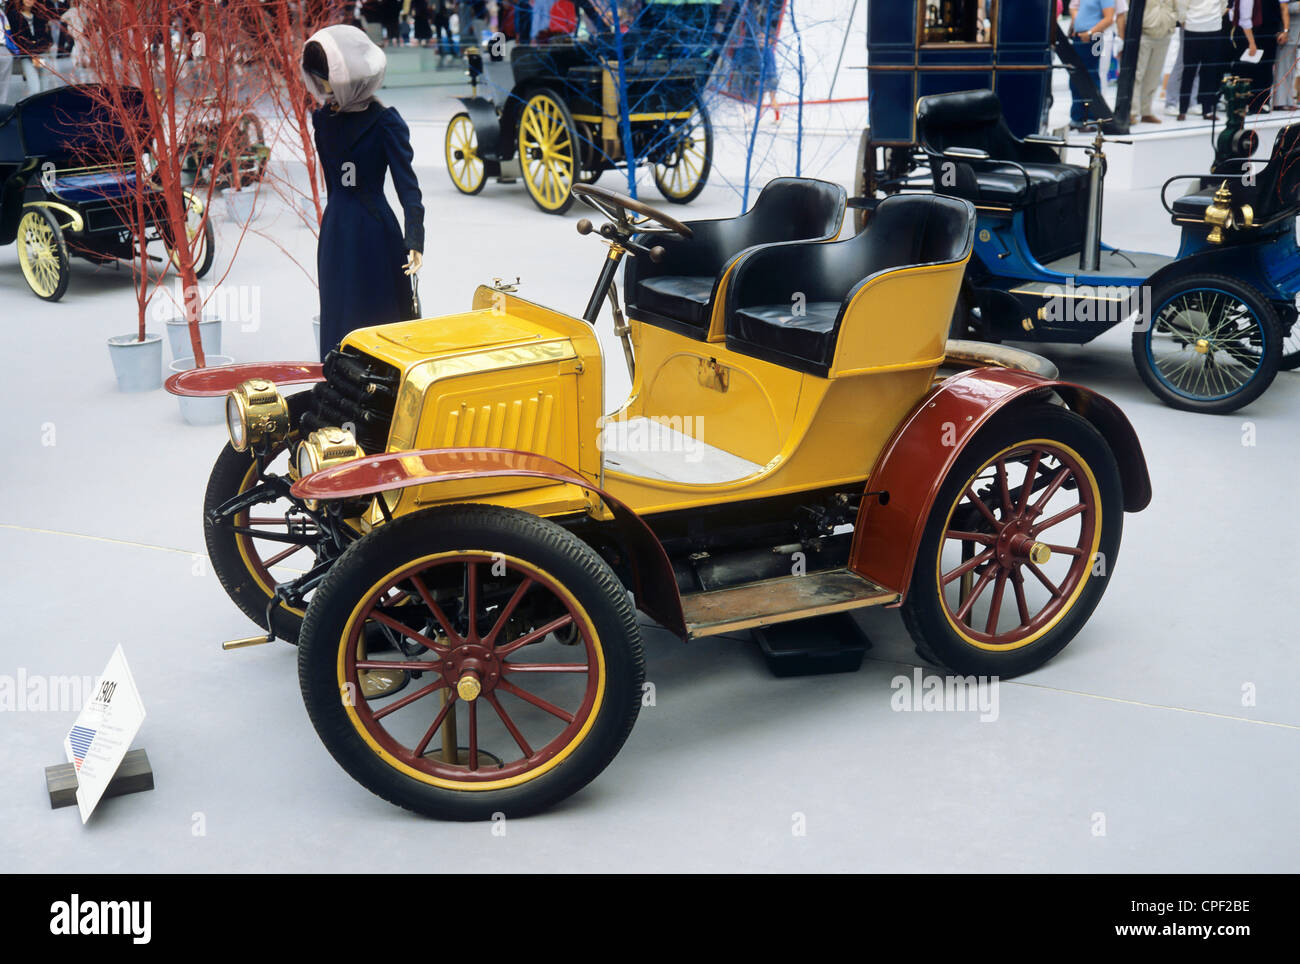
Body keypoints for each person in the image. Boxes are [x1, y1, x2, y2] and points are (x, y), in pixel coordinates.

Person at [302, 25, 425, 359]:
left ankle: (384, 395)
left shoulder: (385, 122)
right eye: (319, 78)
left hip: (375, 235)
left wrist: (415, 240)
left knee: (379, 318)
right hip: (336, 234)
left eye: (326, 78)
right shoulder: (322, 120)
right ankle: (340, 389)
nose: (322, 87)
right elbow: (336, 181)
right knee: (339, 315)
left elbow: (408, 188)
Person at [1230, 0, 1288, 112]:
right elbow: (1244, 18)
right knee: (1246, 68)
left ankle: (1262, 101)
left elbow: (1282, 7)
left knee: (1266, 68)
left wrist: (1283, 31)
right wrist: (1251, 42)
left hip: (1269, 31)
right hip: (1249, 32)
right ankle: (1243, 102)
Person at [1068, 1, 1116, 127]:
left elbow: (1109, 18)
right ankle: (1078, 116)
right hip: (1081, 36)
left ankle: (1092, 117)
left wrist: (1090, 33)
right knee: (1076, 77)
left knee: (1092, 76)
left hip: (1095, 38)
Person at [1132, 0, 1182, 123]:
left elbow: (1177, 7)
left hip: (1164, 34)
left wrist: (1172, 21)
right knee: (1137, 75)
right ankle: (1132, 111)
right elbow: (1129, 9)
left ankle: (1146, 111)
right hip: (1143, 33)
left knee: (1153, 76)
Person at [1178, 0, 1228, 119]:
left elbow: (1223, 4)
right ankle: (1182, 110)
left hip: (1214, 29)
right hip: (1192, 28)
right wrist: (1184, 21)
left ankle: (1207, 110)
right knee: (1189, 71)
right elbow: (1181, 5)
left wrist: (1214, 18)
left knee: (1210, 72)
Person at [5, 0, 51, 96]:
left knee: (45, 88)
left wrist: (38, 50)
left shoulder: (39, 16)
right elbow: (18, 38)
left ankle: (43, 108)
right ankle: (32, 109)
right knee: (35, 89)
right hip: (26, 55)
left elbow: (47, 38)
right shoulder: (14, 16)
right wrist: (33, 51)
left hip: (40, 55)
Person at [1276, 0, 1300, 107]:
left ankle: (1289, 100)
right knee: (1283, 68)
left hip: (1296, 34)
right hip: (1288, 33)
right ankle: (1280, 101)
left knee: (1292, 69)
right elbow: (1282, 7)